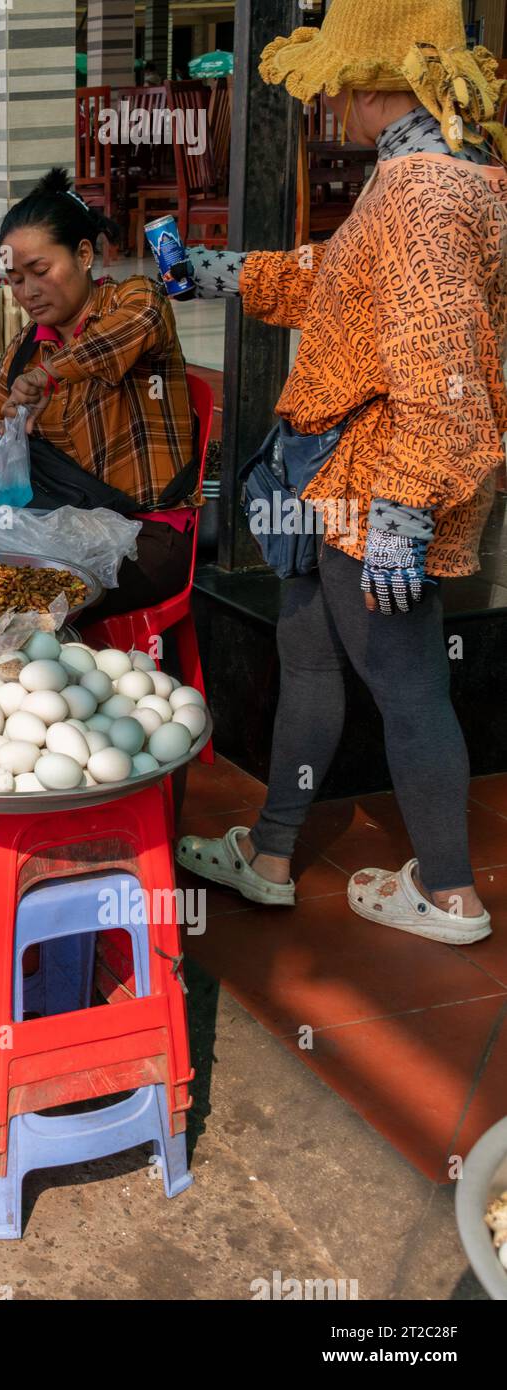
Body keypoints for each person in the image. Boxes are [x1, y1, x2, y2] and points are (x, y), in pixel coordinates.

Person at [172, 0, 507, 944]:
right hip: (339, 476)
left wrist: (401, 511)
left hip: (378, 476)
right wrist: (219, 271)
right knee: (310, 654)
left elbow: (439, 367)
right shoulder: (438, 173)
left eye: (340, 85)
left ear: (371, 84)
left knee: (406, 679)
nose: (331, 104)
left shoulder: (419, 192)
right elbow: (337, 282)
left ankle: (449, 895)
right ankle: (273, 852)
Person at [0, 167, 201, 620]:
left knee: (8, 592)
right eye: (16, 279)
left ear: (83, 254)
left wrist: (51, 374)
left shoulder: (135, 301)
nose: (28, 292)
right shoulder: (25, 349)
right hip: (57, 525)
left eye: (40, 270)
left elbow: (142, 322)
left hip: (141, 541)